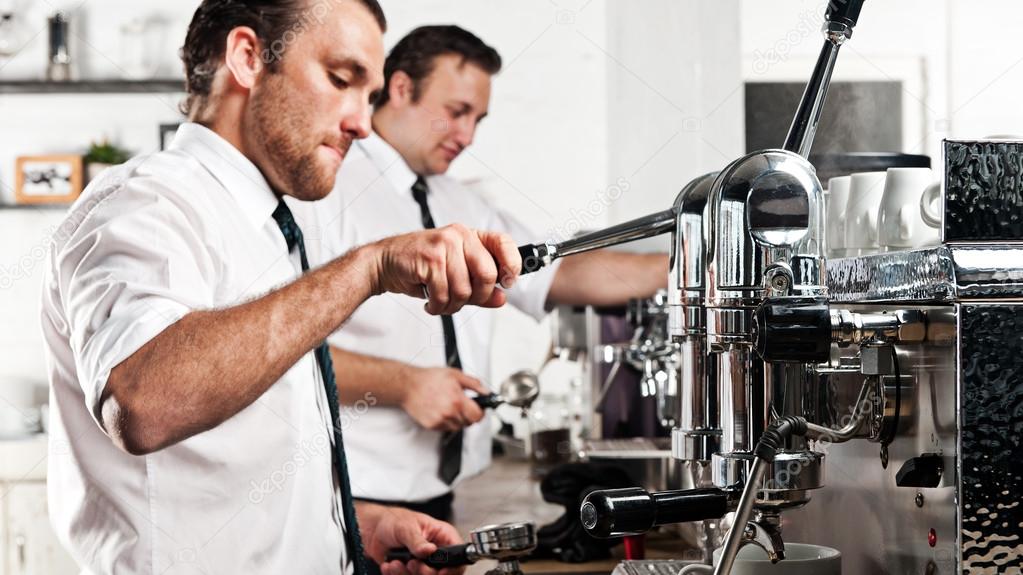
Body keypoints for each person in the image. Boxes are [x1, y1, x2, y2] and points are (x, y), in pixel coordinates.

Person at [41, 3, 523, 574]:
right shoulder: (146, 204)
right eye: (341, 80)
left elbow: (237, 464)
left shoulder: (266, 223)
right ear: (248, 57)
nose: (361, 123)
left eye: (367, 96)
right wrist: (368, 268)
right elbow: (143, 402)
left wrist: (353, 526)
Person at [291, 25, 668, 526]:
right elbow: (278, 346)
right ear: (401, 88)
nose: (468, 136)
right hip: (350, 502)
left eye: (478, 119)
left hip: (442, 496)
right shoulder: (323, 191)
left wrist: (689, 263)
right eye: (456, 112)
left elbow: (559, 274)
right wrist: (404, 385)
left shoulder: (459, 201)